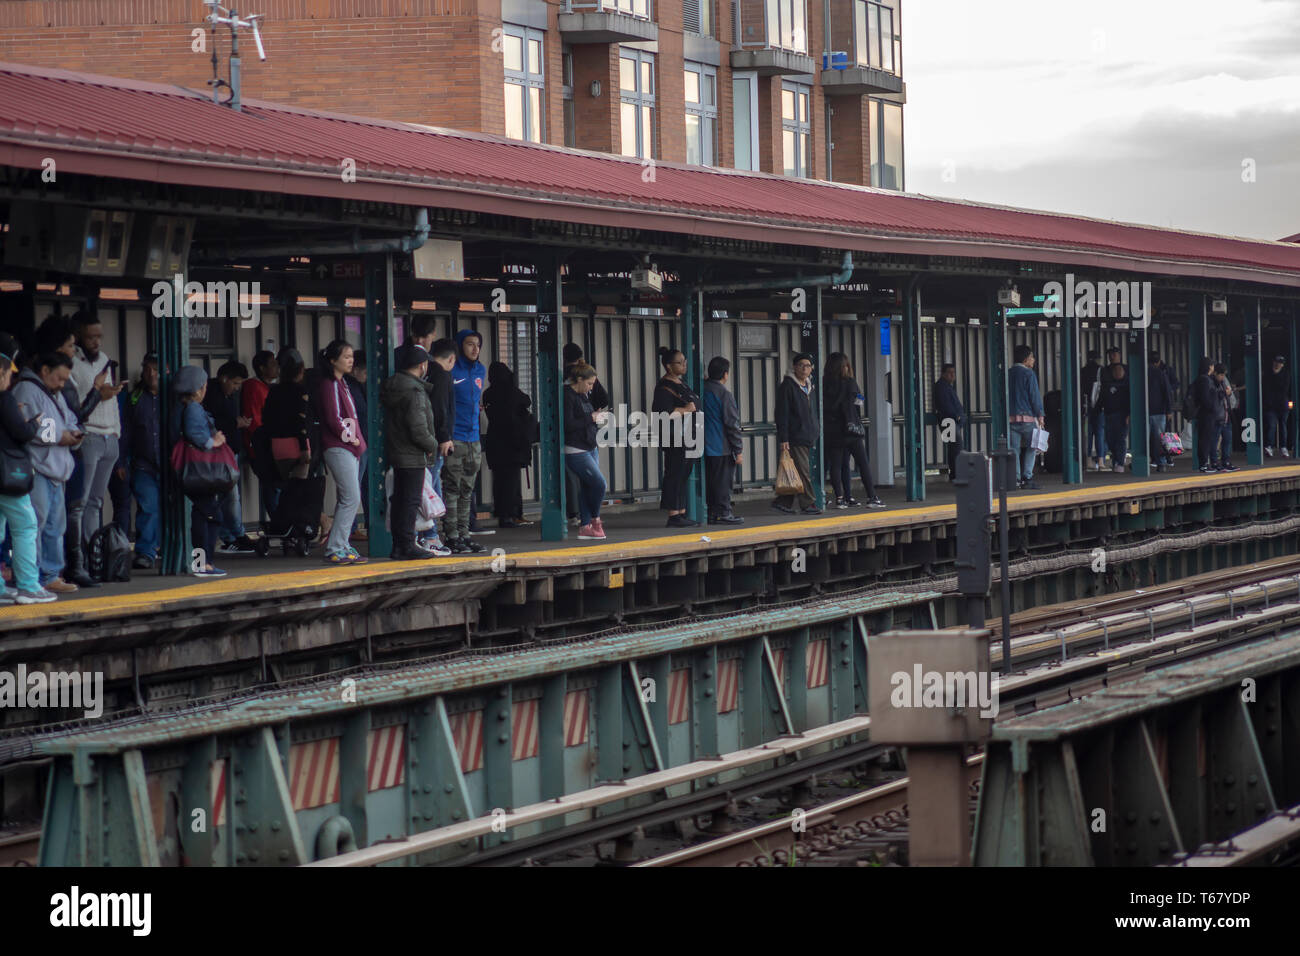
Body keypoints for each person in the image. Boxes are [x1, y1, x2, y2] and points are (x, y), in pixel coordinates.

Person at [13, 352, 82, 594]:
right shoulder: (26, 390)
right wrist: (61, 437)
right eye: (59, 379)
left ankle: (51, 574)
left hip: (56, 469)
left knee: (54, 526)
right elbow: (26, 428)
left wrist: (73, 434)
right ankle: (33, 576)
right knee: (36, 525)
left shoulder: (54, 394)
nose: (62, 385)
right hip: (38, 468)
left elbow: (70, 420)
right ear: (44, 371)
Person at [67, 311, 125, 576]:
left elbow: (109, 400)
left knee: (97, 502)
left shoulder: (103, 360)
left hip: (108, 437)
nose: (97, 342)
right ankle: (79, 559)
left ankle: (93, 557)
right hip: (88, 435)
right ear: (78, 336)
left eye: (99, 336)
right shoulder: (71, 364)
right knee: (81, 501)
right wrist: (98, 394)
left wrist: (116, 433)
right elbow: (74, 407)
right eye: (91, 337)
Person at [0, 333, 56, 604]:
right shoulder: (5, 399)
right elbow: (21, 433)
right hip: (8, 477)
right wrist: (32, 423)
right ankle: (28, 585)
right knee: (25, 526)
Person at [381, 344, 438, 561]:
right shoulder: (415, 392)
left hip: (397, 451)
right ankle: (407, 545)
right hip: (412, 454)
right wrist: (432, 445)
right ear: (422, 365)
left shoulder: (394, 386)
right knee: (410, 501)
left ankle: (399, 545)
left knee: (400, 500)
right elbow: (418, 429)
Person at [172, 365, 228, 579]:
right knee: (211, 515)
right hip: (200, 470)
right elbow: (196, 435)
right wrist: (213, 441)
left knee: (206, 512)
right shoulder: (194, 408)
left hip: (192, 470)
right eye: (204, 385)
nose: (206, 388)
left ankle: (203, 563)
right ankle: (203, 564)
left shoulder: (181, 407)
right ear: (197, 389)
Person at [317, 340, 367, 565]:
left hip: (350, 447)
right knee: (351, 497)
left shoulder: (343, 383)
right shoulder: (329, 384)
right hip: (339, 446)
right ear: (332, 360)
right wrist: (352, 437)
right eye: (346, 357)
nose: (351, 360)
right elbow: (333, 418)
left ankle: (342, 544)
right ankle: (335, 547)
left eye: (351, 356)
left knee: (346, 497)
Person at [204, 361, 257, 555]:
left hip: (230, 452)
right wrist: (235, 423)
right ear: (223, 378)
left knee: (229, 496)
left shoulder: (229, 396)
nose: (237, 388)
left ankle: (230, 536)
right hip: (218, 455)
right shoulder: (212, 395)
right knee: (230, 496)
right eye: (234, 383)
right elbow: (212, 423)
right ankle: (236, 535)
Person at [442, 329, 487, 553]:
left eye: (477, 344)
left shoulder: (480, 369)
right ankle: (450, 535)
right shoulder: (451, 370)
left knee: (467, 489)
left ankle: (464, 533)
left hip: (474, 438)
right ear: (460, 346)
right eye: (470, 344)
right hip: (455, 437)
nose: (475, 349)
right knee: (452, 487)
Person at [823, 352, 884, 509]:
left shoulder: (824, 383)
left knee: (836, 465)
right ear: (844, 366)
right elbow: (860, 401)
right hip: (851, 430)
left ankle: (841, 499)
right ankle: (872, 497)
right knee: (863, 463)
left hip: (833, 431)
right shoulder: (849, 382)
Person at [652, 347, 702, 528]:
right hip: (675, 437)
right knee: (675, 473)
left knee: (683, 474)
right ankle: (673, 513)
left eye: (684, 361)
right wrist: (685, 410)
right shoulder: (664, 387)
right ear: (668, 366)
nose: (684, 365)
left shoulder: (681, 383)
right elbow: (662, 413)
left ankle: (681, 511)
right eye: (679, 362)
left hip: (689, 436)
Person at [482, 360, 533, 528]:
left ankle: (504, 514)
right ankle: (514, 514)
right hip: (514, 442)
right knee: (512, 481)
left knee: (500, 481)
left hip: (495, 441)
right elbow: (527, 401)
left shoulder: (488, 394)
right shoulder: (512, 391)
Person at [562, 343, 609, 525]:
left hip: (589, 445)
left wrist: (593, 418)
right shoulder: (567, 396)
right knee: (599, 484)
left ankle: (586, 523)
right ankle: (595, 517)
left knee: (588, 485)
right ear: (579, 379)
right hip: (576, 447)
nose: (591, 388)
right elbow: (568, 424)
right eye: (589, 384)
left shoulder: (583, 395)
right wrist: (591, 417)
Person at [122, 354, 161, 569]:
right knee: (148, 506)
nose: (151, 374)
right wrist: (121, 461)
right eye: (147, 369)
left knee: (171, 507)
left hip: (170, 465)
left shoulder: (174, 397)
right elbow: (125, 430)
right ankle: (145, 551)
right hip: (143, 464)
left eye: (156, 369)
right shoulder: (135, 397)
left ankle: (167, 546)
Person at [772, 352, 819, 514]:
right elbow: (782, 413)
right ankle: (808, 503)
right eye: (801, 365)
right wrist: (784, 437)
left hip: (808, 434)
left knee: (796, 469)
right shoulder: (788, 386)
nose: (805, 369)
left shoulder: (809, 386)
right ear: (794, 367)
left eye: (808, 366)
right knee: (803, 470)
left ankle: (783, 501)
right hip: (795, 435)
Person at [702, 356, 744, 525]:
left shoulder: (702, 389)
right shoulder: (724, 394)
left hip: (702, 444)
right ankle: (723, 512)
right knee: (723, 482)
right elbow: (732, 424)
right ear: (725, 374)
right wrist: (738, 449)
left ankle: (711, 513)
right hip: (721, 446)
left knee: (710, 482)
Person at [241, 349, 280, 519]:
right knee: (271, 484)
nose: (277, 367)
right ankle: (278, 522)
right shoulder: (253, 387)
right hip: (260, 445)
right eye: (272, 364)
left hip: (272, 444)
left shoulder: (267, 387)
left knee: (276, 484)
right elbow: (254, 420)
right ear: (262, 368)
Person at [1007, 344, 1046, 490]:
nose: (1033, 360)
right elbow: (1034, 397)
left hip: (1011, 419)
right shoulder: (1029, 374)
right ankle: (1027, 476)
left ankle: (1016, 479)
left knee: (1014, 449)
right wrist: (1040, 415)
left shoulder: (1008, 373)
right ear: (1025, 359)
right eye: (1031, 357)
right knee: (1033, 446)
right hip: (1028, 418)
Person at [345, 350, 369, 540]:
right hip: (357, 443)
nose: (367, 376)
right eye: (365, 372)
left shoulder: (356, 386)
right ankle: (350, 529)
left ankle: (353, 527)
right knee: (354, 486)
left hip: (362, 442)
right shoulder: (350, 387)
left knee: (358, 485)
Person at [933, 362, 966, 481]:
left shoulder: (946, 386)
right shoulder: (941, 387)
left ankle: (954, 473)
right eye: (949, 373)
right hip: (948, 421)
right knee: (956, 447)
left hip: (950, 421)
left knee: (954, 447)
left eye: (953, 373)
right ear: (943, 374)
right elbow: (946, 406)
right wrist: (957, 416)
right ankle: (956, 473)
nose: (952, 375)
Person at [1100, 362, 1130, 474]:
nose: (1117, 373)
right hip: (1109, 415)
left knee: (1120, 440)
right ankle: (1116, 460)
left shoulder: (1128, 384)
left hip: (1122, 416)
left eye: (1120, 371)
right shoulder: (1107, 385)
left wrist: (1129, 414)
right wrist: (1097, 409)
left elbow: (1131, 401)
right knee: (1110, 440)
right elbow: (1101, 399)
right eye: (1115, 371)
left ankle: (1120, 463)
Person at [1147, 351, 1174, 473]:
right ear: (1158, 362)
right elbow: (1168, 392)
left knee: (1144, 439)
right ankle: (1162, 462)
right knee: (1160, 438)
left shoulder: (1140, 373)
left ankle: (1144, 460)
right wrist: (1169, 410)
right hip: (1159, 411)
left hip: (1144, 412)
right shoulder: (1161, 373)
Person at [1190, 357, 1218, 473]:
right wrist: (1212, 407)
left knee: (1204, 438)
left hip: (1204, 413)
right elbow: (1205, 398)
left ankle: (1204, 463)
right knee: (1205, 439)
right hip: (1206, 414)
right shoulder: (1205, 380)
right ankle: (1203, 464)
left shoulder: (1202, 379)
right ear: (1209, 367)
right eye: (1212, 365)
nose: (1213, 367)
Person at [1081, 350, 1106, 471]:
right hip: (1099, 405)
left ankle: (1088, 460)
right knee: (1100, 433)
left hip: (1086, 407)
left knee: (1088, 433)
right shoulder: (1101, 370)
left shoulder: (1082, 371)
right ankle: (1101, 461)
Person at [1263, 354, 1291, 458]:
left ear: (1283, 365)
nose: (1277, 364)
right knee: (1271, 425)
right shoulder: (1268, 373)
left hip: (1282, 405)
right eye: (1276, 362)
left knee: (1283, 426)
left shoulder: (1286, 374)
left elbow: (1284, 388)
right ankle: (1269, 446)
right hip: (1270, 405)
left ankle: (1283, 447)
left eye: (1280, 363)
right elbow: (1266, 387)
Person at [1211, 363, 1236, 471]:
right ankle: (1214, 462)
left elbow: (1231, 398)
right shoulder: (1211, 382)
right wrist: (1223, 393)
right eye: (1221, 375)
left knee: (1227, 440)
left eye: (1224, 375)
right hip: (1217, 417)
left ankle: (1225, 461)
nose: (1222, 378)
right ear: (1215, 373)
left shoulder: (1224, 382)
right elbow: (1213, 398)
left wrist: (1229, 394)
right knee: (1214, 441)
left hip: (1226, 416)